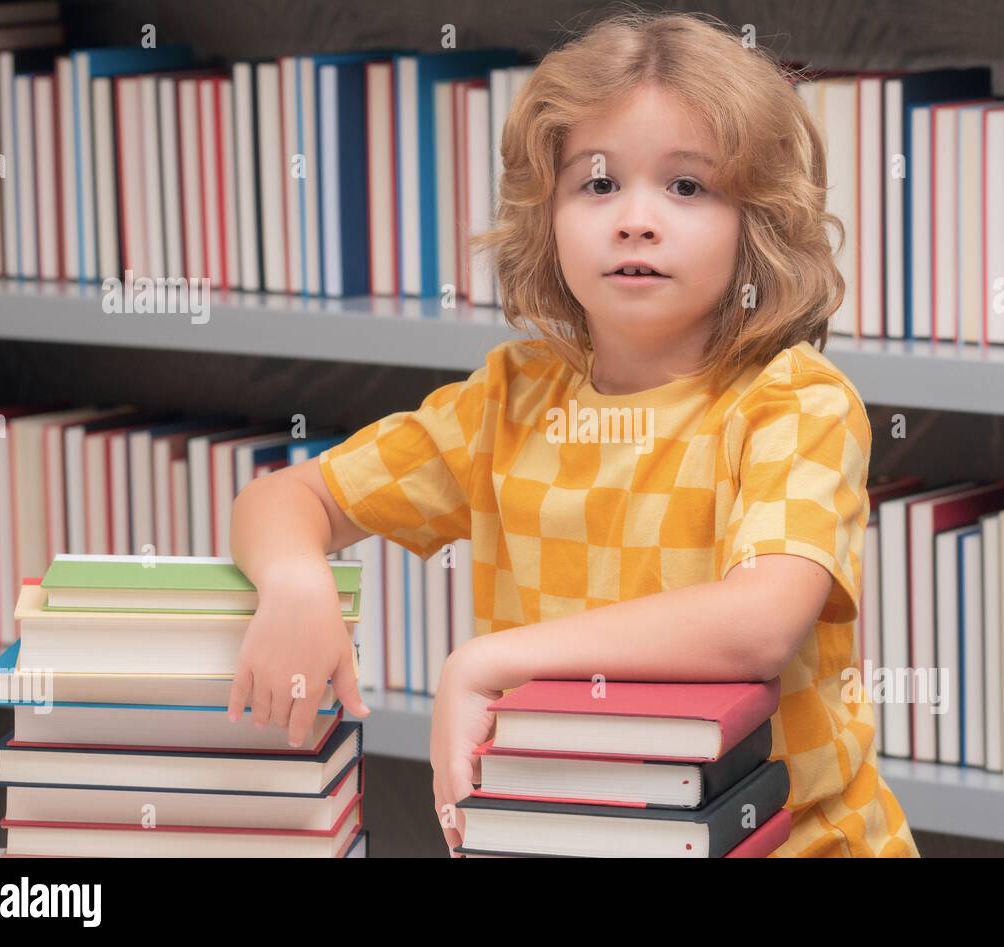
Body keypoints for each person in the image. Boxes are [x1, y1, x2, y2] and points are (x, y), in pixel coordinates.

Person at [230, 10, 919, 858]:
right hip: (575, 836)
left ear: (758, 222)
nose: (635, 219)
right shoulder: (509, 399)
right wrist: (297, 582)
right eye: (597, 184)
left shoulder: (794, 401)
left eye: (687, 186)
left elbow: (759, 622)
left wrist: (486, 661)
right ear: (545, 214)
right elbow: (289, 496)